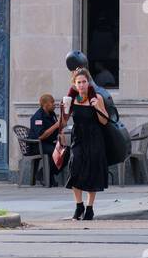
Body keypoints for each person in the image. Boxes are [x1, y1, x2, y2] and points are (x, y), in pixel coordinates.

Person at [62, 68, 109, 221]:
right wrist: (64, 109)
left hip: (94, 137)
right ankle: (79, 205)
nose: (82, 85)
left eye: (84, 82)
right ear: (74, 84)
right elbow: (63, 122)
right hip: (78, 137)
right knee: (74, 167)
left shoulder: (97, 98)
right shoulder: (71, 99)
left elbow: (104, 121)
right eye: (79, 82)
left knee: (92, 171)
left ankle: (90, 208)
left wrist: (97, 107)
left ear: (88, 83)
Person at [29, 93, 62, 185]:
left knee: (65, 152)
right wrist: (56, 126)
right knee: (57, 153)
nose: (54, 104)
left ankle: (45, 174)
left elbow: (56, 129)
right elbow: (41, 136)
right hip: (37, 145)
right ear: (45, 104)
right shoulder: (38, 117)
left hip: (48, 143)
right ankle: (46, 176)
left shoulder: (51, 114)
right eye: (52, 102)